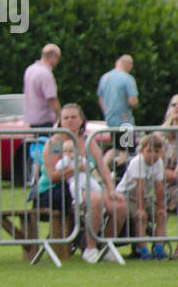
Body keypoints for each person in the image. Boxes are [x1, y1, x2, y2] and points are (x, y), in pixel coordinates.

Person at [38, 104, 125, 263]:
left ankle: (105, 246)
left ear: (81, 120)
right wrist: (76, 169)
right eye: (66, 118)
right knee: (95, 200)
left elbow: (102, 167)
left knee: (119, 205)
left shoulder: (88, 141)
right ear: (60, 121)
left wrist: (112, 190)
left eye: (73, 117)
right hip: (57, 188)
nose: (70, 121)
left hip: (85, 183)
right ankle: (89, 248)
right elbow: (53, 175)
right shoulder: (56, 143)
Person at [117, 133, 167, 259]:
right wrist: (140, 209)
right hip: (126, 197)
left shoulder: (159, 163)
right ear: (141, 151)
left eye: (156, 151)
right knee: (141, 217)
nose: (153, 154)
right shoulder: (137, 162)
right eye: (149, 151)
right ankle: (143, 249)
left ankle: (159, 248)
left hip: (143, 197)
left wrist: (161, 208)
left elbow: (159, 188)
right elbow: (140, 187)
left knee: (162, 216)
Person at [97, 55, 140, 170]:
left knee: (116, 147)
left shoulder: (105, 77)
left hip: (111, 119)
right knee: (126, 150)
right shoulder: (128, 79)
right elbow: (133, 101)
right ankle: (121, 175)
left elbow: (100, 99)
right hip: (125, 120)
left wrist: (107, 112)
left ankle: (100, 170)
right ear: (129, 65)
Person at [22, 44, 61, 127]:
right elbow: (51, 99)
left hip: (32, 120)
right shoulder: (45, 73)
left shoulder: (30, 69)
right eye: (58, 58)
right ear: (53, 57)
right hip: (44, 120)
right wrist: (60, 117)